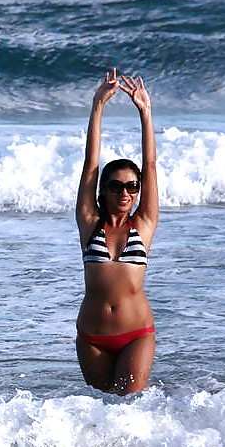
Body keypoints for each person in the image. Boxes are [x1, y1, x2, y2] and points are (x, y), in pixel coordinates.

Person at [75, 68, 159, 395]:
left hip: (136, 334)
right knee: (102, 412)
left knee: (129, 407)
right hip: (92, 337)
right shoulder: (89, 222)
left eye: (132, 187)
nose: (125, 192)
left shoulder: (144, 224)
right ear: (103, 192)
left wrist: (145, 113)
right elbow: (90, 165)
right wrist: (98, 106)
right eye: (115, 186)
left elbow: (150, 165)